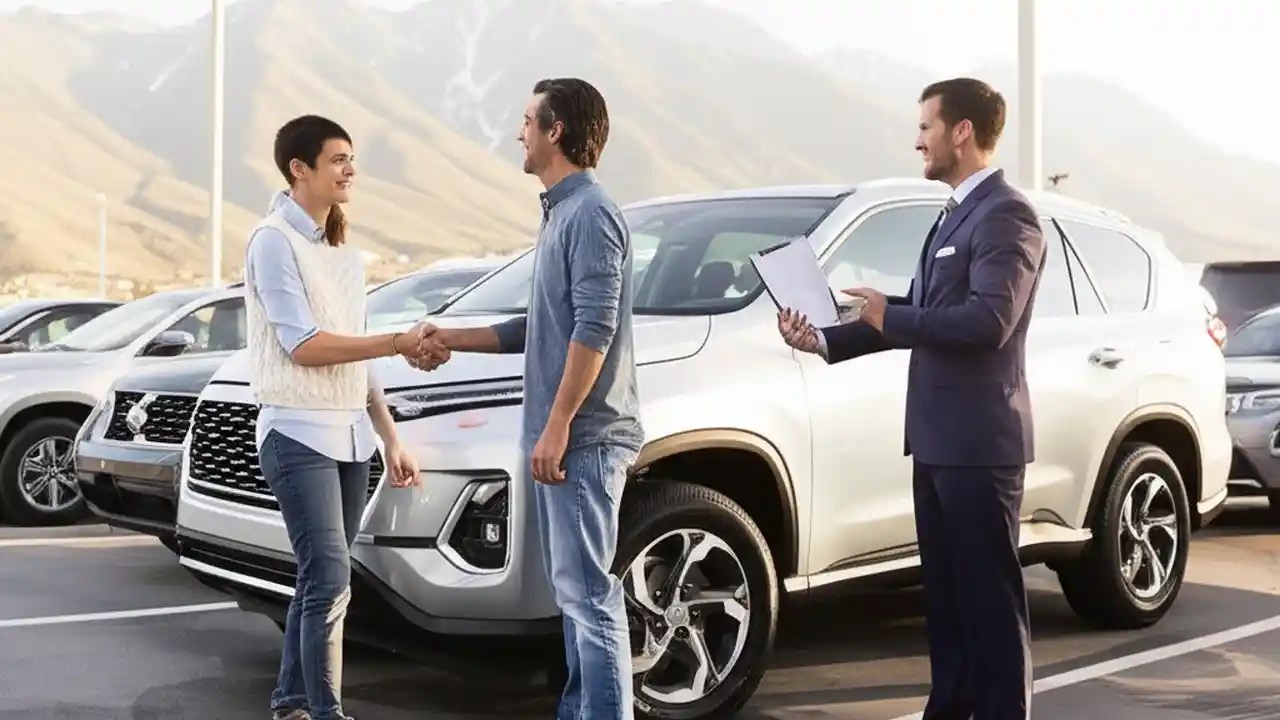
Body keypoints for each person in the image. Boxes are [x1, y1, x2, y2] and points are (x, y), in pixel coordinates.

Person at [778, 78, 1046, 719]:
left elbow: (988, 322)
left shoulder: (1007, 214)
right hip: (935, 441)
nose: (917, 140)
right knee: (948, 607)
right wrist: (823, 339)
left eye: (926, 126)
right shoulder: (952, 214)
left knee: (988, 607)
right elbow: (919, 314)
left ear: (962, 131)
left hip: (978, 447)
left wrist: (890, 316)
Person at [410, 78, 643, 720]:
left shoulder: (590, 213)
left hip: (587, 438)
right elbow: (539, 326)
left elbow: (593, 329)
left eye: (526, 120)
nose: (519, 133)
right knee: (574, 596)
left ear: (554, 130)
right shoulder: (562, 214)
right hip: (568, 436)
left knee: (589, 596)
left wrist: (558, 425)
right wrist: (451, 336)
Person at [244, 114, 445, 720]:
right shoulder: (272, 241)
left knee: (319, 579)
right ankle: (327, 713)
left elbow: (356, 358)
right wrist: (397, 341)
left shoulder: (341, 253)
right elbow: (303, 345)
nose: (350, 169)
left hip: (352, 439)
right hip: (296, 432)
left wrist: (390, 438)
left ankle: (291, 702)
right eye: (337, 159)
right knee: (331, 578)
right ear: (298, 169)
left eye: (351, 158)